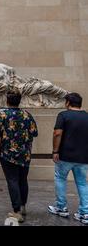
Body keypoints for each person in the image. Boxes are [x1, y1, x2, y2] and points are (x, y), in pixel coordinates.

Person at [0, 92, 38, 223]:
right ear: (19, 101)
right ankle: (23, 206)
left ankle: (17, 211)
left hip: (7, 155)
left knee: (12, 180)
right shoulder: (27, 115)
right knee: (23, 180)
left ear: (7, 101)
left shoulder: (2, 115)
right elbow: (35, 133)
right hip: (25, 154)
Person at [48, 93, 88, 225]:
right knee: (82, 183)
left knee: (60, 178)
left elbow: (57, 133)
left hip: (65, 156)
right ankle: (84, 213)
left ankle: (61, 208)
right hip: (83, 157)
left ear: (68, 103)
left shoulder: (63, 115)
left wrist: (55, 151)